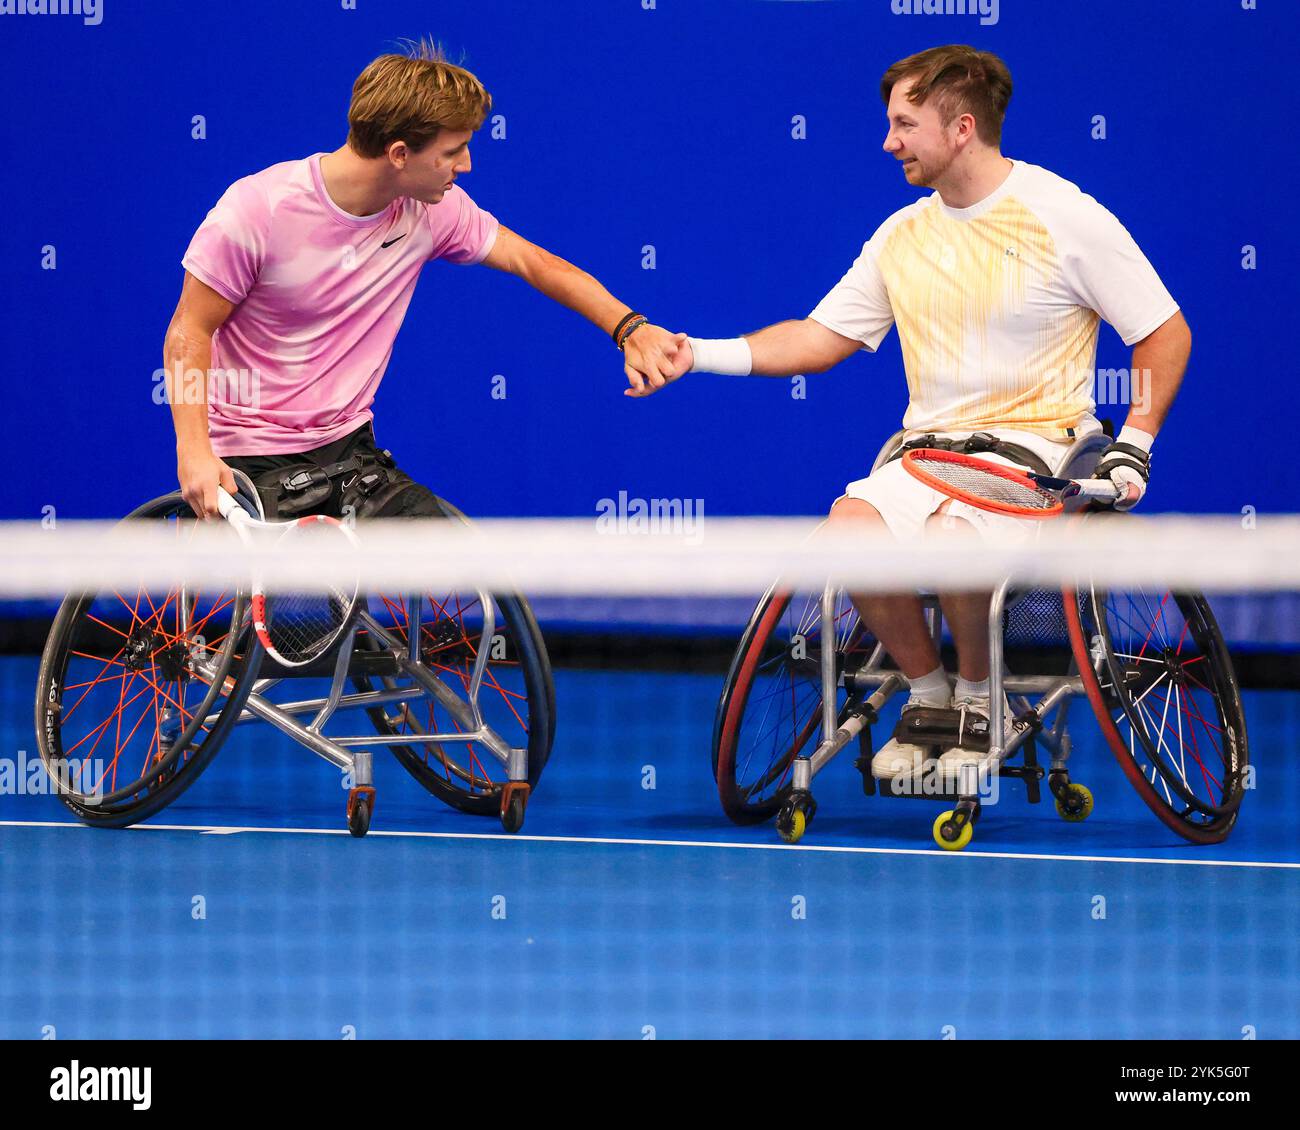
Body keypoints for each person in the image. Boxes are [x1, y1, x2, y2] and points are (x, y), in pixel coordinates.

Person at [632, 44, 1191, 780]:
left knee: (954, 537)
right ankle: (930, 696)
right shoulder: (902, 236)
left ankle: (981, 699)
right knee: (849, 529)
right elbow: (819, 337)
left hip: (1040, 452)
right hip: (926, 453)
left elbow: (1162, 331)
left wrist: (1136, 442)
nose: (888, 141)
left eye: (904, 124)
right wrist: (696, 353)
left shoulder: (1065, 218)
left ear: (961, 128)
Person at [164, 39, 684, 524]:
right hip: (247, 460)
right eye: (452, 150)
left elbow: (534, 262)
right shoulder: (257, 211)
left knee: (447, 566)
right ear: (398, 154)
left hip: (351, 454)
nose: (467, 164)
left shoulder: (433, 211)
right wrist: (194, 453)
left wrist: (629, 328)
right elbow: (188, 332)